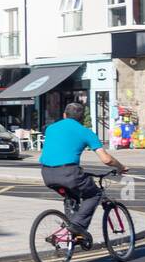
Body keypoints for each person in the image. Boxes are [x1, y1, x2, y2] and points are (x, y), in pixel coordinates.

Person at [39, 101, 127, 242]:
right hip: (69, 173)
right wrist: (120, 167)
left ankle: (73, 232)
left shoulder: (50, 128)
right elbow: (106, 160)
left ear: (64, 115)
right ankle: (77, 226)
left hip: (46, 174)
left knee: (72, 196)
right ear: (81, 118)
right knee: (94, 195)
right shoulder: (86, 132)